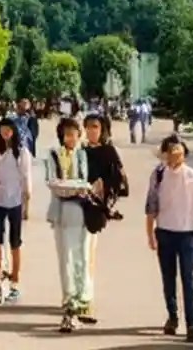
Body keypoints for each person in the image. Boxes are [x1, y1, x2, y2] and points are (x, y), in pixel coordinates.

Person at [145, 134, 193, 344]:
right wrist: (150, 233)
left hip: (188, 233)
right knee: (168, 277)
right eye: (171, 152)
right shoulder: (158, 175)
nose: (176, 156)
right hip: (165, 231)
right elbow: (151, 206)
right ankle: (172, 315)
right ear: (164, 155)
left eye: (180, 152)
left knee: (189, 278)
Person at [46, 117, 93, 332]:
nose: (70, 138)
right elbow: (52, 182)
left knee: (82, 255)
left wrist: (76, 186)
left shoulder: (83, 153)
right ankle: (68, 298)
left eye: (73, 133)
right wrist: (72, 187)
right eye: (66, 134)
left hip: (82, 210)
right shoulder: (55, 154)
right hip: (62, 210)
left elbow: (86, 180)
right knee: (65, 256)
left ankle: (83, 297)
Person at [82, 112, 127, 324]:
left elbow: (119, 181)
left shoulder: (108, 152)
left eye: (95, 127)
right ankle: (76, 293)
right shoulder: (78, 151)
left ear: (102, 130)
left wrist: (103, 187)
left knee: (88, 253)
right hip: (76, 205)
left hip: (96, 208)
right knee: (76, 254)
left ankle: (87, 298)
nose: (92, 131)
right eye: (88, 126)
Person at [0, 116, 32, 305]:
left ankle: (15, 282)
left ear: (13, 132)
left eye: (9, 130)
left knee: (15, 243)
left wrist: (27, 203)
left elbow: (26, 177)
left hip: (15, 201)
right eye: (2, 129)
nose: (5, 133)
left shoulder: (21, 152)